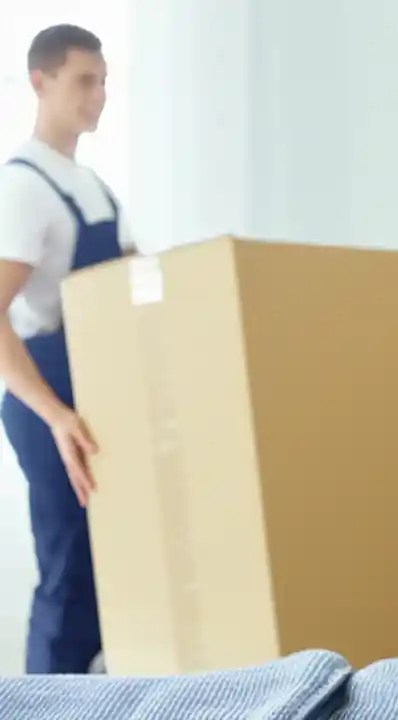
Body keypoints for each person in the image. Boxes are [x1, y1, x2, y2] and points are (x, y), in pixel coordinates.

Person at [0, 24, 135, 674]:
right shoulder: (25, 188)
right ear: (40, 82)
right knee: (68, 574)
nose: (99, 94)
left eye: (104, 81)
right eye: (85, 79)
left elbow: (138, 287)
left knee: (108, 571)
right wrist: (57, 418)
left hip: (97, 395)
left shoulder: (95, 188)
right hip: (48, 401)